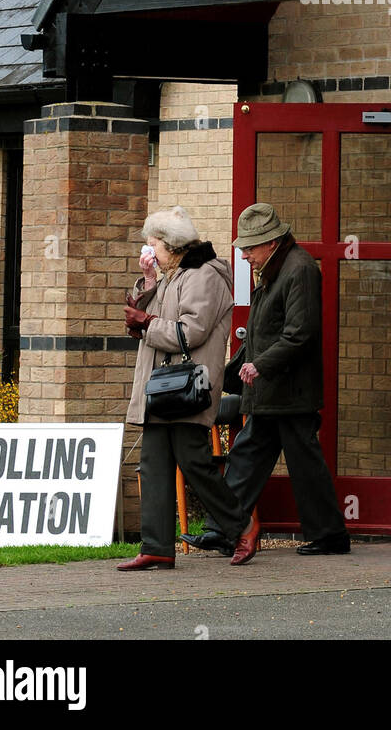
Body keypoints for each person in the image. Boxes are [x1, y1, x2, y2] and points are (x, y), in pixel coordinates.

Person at [183, 203, 349, 563]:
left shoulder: (299, 270)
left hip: (290, 391)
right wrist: (240, 368)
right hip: (271, 390)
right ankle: (224, 529)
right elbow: (264, 331)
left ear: (272, 242)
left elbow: (300, 333)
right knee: (247, 455)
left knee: (302, 462)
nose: (244, 256)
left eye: (249, 248)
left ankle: (329, 535)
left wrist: (260, 366)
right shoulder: (278, 268)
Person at [117, 205, 257, 571]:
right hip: (164, 387)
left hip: (188, 386)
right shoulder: (173, 274)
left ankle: (242, 527)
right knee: (153, 464)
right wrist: (148, 282)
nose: (150, 253)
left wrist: (146, 323)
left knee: (194, 461)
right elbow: (154, 319)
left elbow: (189, 333)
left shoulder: (204, 275)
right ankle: (157, 546)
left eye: (153, 246)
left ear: (172, 245)